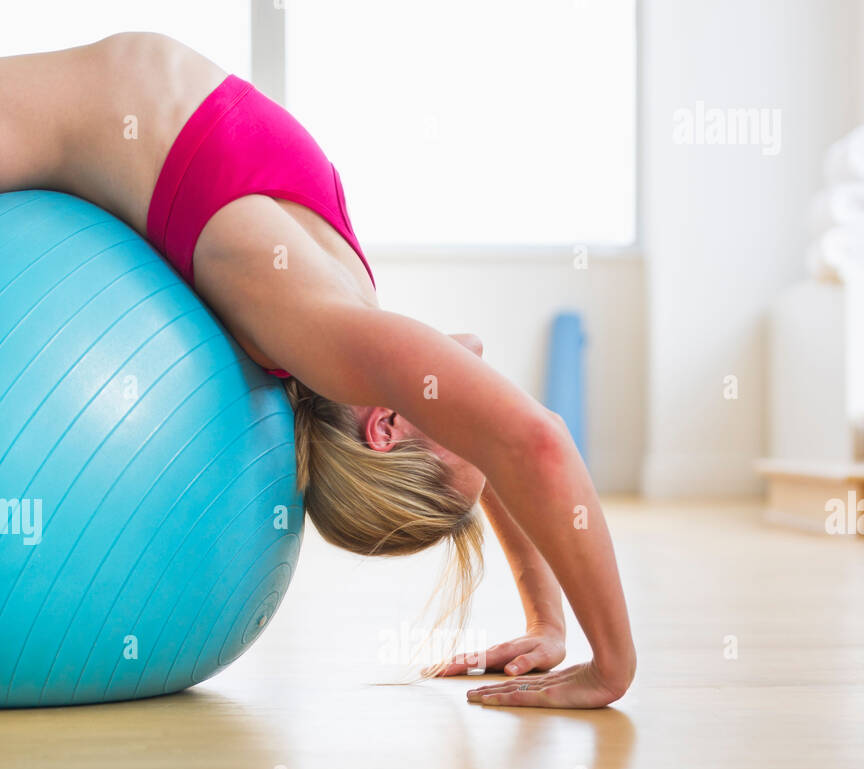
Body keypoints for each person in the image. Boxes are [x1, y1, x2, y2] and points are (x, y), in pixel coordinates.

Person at [0, 31, 636, 708]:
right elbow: (510, 440)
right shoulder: (341, 328)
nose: (473, 388)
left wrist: (600, 659)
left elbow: (518, 442)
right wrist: (568, 633)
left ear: (385, 427)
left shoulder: (335, 341)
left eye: (461, 439)